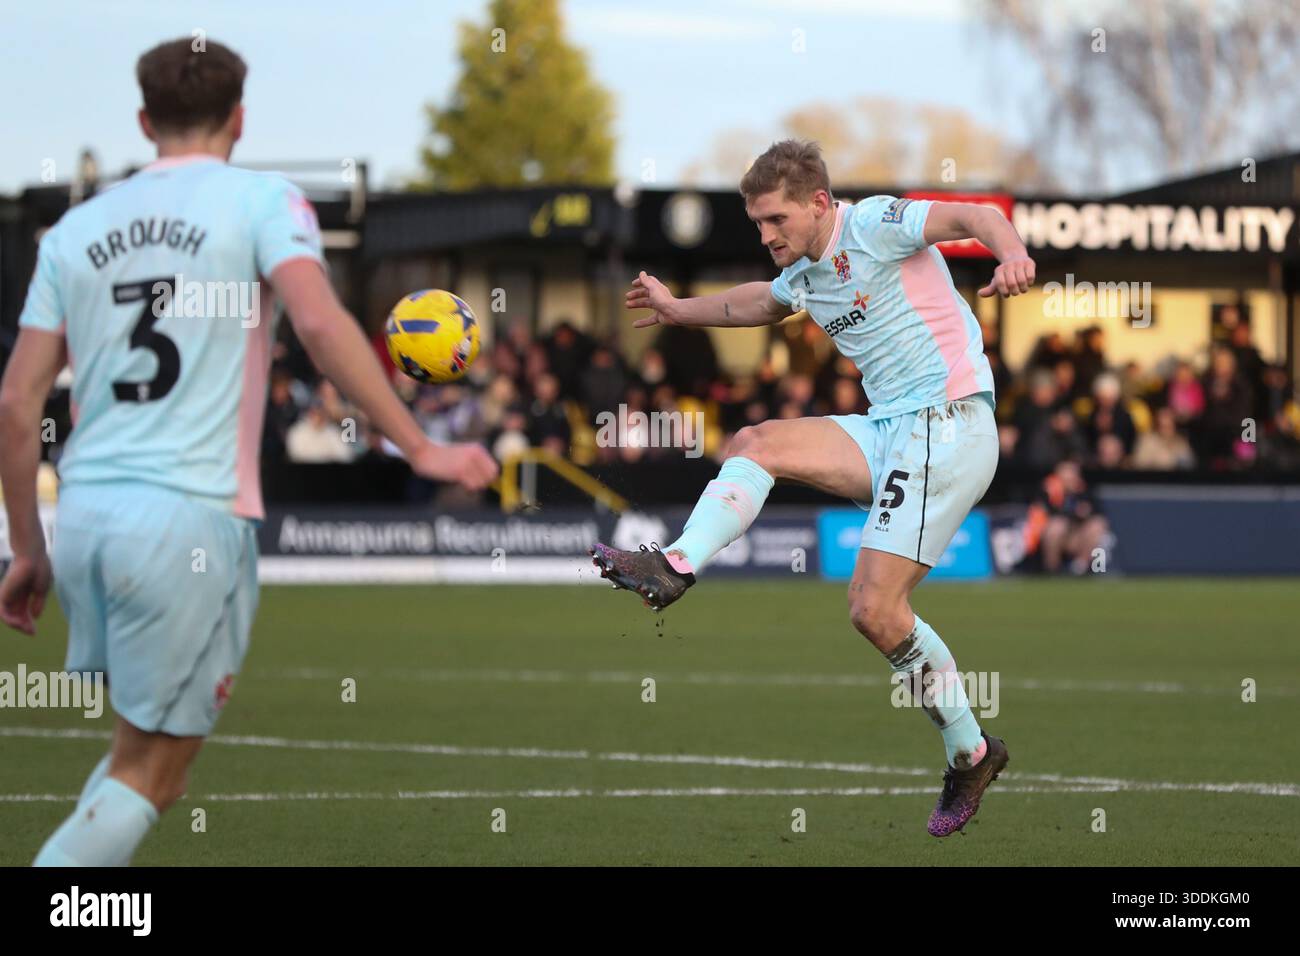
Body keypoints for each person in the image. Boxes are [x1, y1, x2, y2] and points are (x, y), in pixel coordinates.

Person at [0, 37, 498, 866]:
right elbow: (316, 320)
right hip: (188, 520)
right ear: (239, 118)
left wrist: (27, 547)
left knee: (139, 759)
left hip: (84, 514)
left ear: (143, 119)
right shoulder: (265, 201)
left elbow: (18, 403)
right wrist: (420, 447)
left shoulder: (75, 231)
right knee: (155, 773)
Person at [590, 139, 1036, 837]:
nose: (766, 235)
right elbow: (758, 307)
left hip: (948, 425)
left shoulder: (875, 224)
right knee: (754, 444)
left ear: (820, 203)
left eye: (775, 220)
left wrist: (1011, 253)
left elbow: (975, 217)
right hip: (890, 428)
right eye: (757, 224)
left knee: (873, 609)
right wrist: (678, 310)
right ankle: (675, 566)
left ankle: (970, 752)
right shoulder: (802, 270)